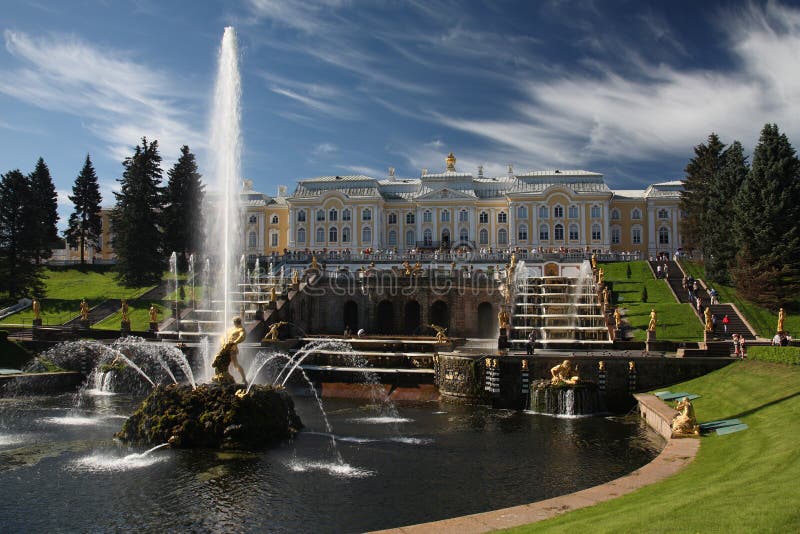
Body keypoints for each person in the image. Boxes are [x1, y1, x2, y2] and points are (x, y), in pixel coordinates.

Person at [211, 317, 247, 384]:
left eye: (236, 321)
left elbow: (242, 337)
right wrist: (223, 343)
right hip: (225, 347)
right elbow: (223, 336)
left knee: (235, 364)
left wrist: (235, 342)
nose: (235, 322)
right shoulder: (231, 329)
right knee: (221, 360)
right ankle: (222, 376)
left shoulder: (241, 329)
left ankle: (243, 378)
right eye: (235, 321)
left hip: (232, 348)